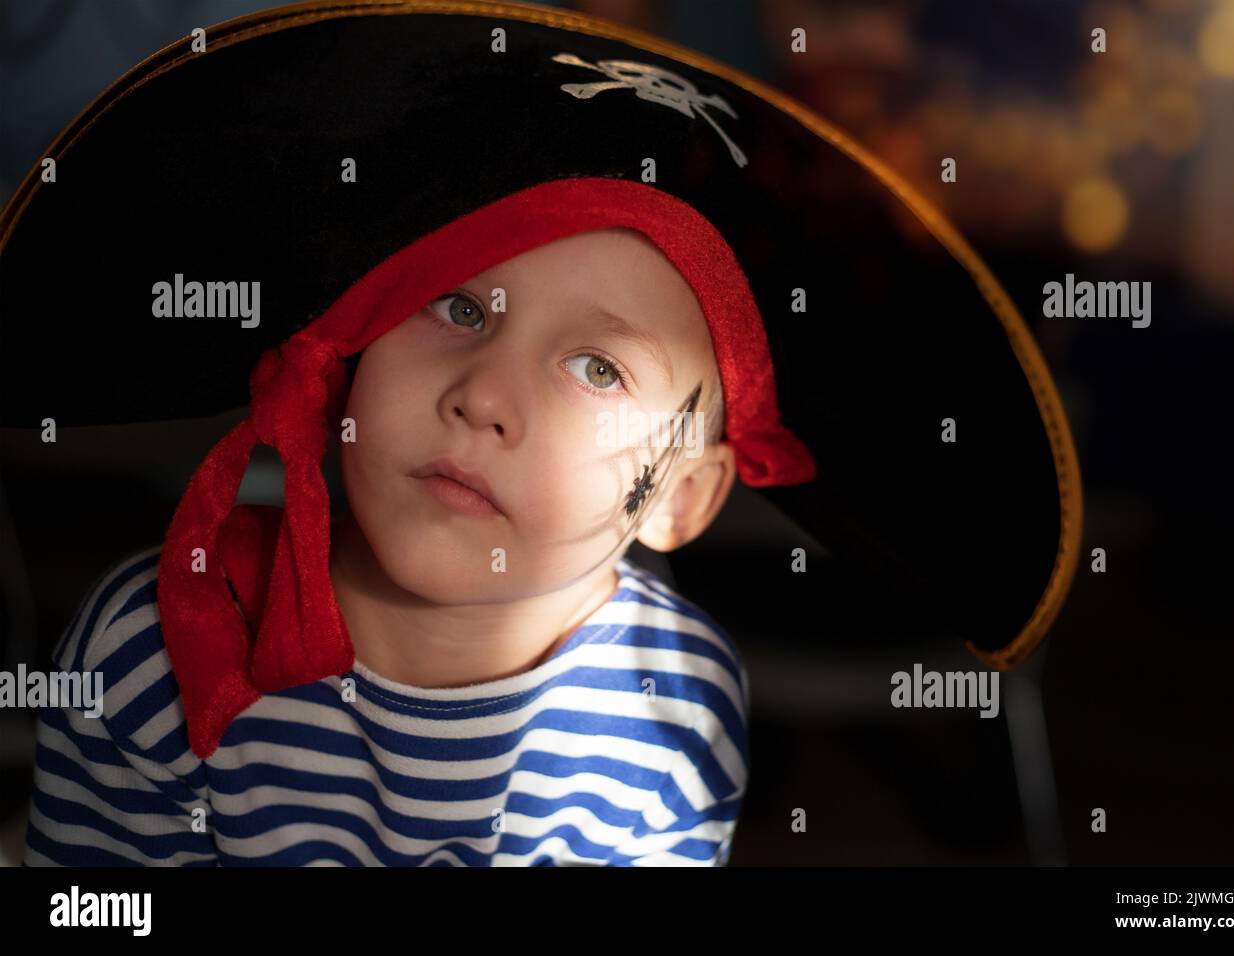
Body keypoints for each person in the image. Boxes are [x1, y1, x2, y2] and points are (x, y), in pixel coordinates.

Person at [2, 1, 1081, 867]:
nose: (482, 394)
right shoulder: (152, 643)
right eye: (459, 308)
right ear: (344, 359)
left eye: (597, 366)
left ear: (683, 496)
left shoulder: (670, 705)